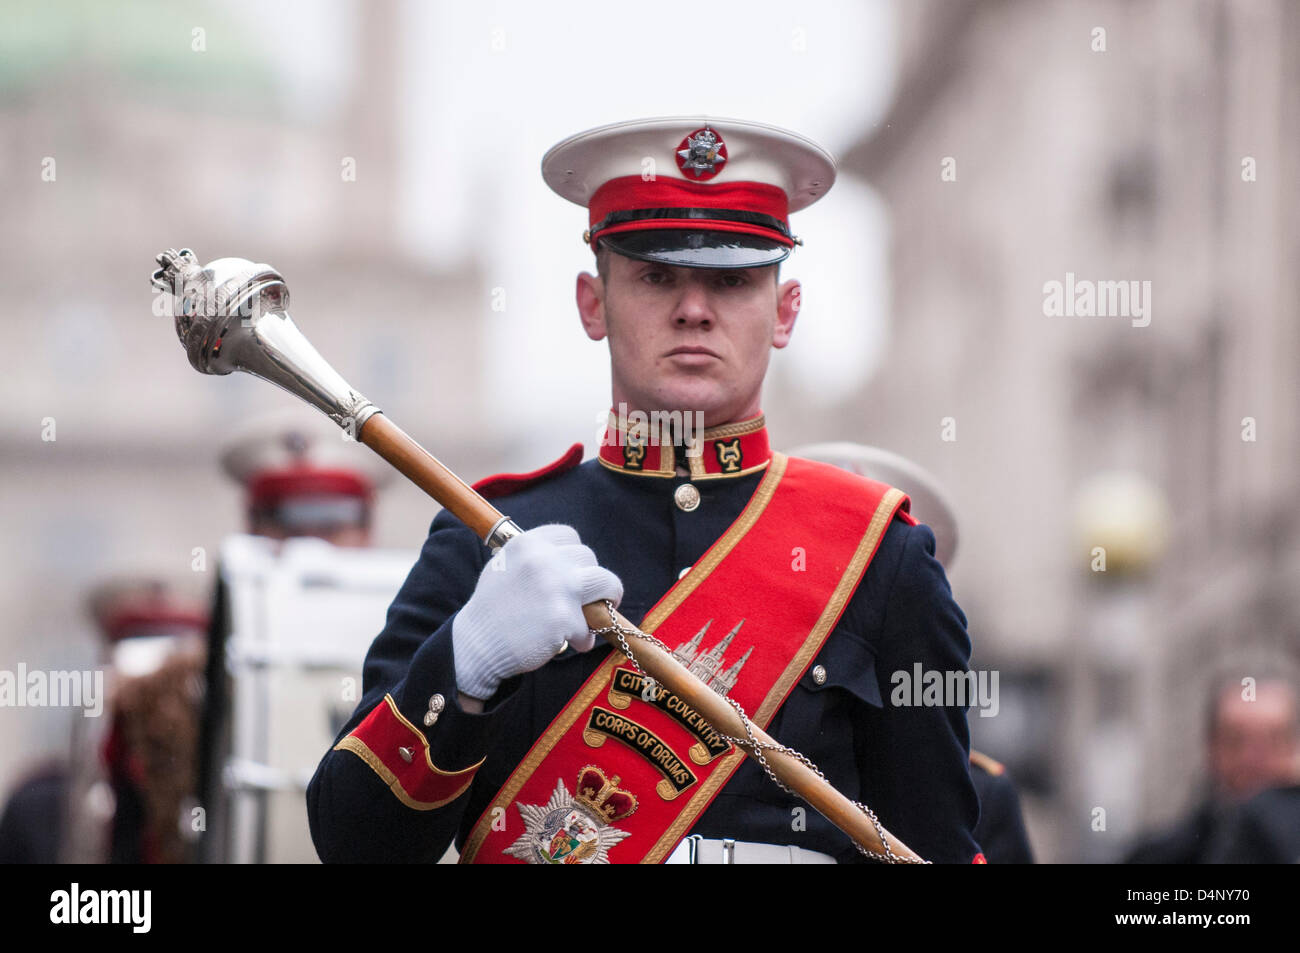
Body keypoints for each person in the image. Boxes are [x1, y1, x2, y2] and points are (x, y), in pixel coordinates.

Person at [306, 117, 984, 864]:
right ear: (592, 303)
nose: (694, 308)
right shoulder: (494, 533)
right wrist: (466, 668)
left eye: (732, 279)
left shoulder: (881, 555)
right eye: (657, 275)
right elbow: (352, 841)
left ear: (785, 312)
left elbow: (936, 844)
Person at [1125, 675, 1299, 864]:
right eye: (1236, 741)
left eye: (1273, 741)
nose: (1253, 758)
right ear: (1211, 747)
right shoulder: (1167, 853)